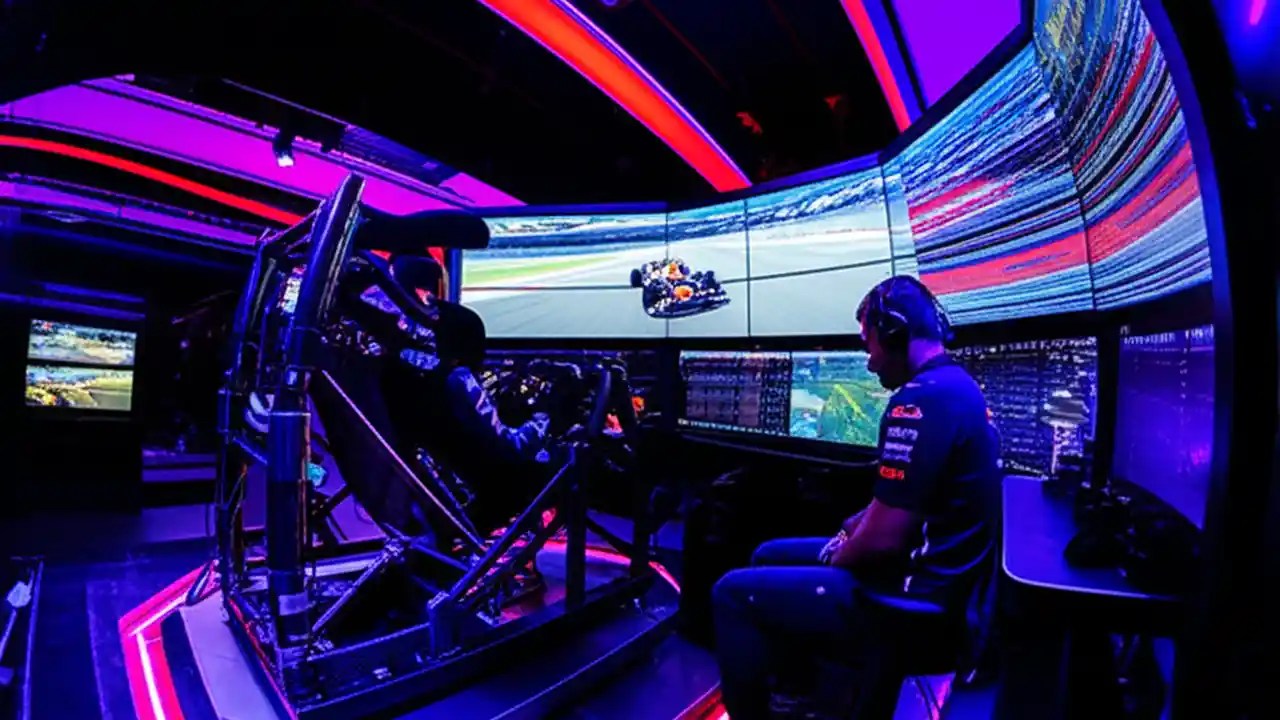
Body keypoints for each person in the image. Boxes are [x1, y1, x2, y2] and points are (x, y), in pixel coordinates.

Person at [710, 276, 1001, 719]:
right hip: (944, 593)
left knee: (731, 594)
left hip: (915, 605)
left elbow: (883, 544)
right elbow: (914, 500)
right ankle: (801, 697)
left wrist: (840, 553)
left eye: (870, 346)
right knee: (767, 554)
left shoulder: (918, 403)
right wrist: (856, 527)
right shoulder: (957, 388)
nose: (869, 363)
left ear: (895, 333)